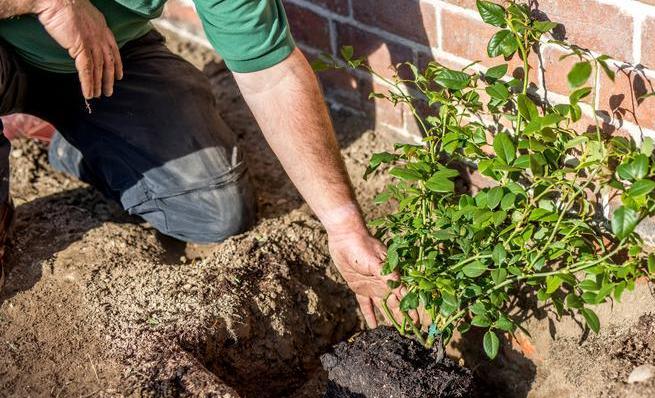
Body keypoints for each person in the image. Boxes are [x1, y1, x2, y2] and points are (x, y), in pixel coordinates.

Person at [0, 0, 398, 327]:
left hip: (106, 56)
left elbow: (270, 76)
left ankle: (76, 140)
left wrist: (344, 226)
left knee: (215, 209)